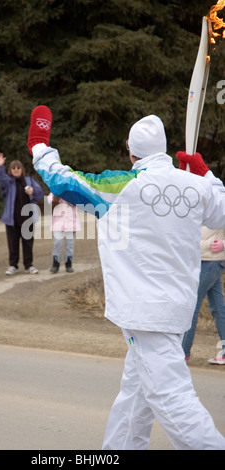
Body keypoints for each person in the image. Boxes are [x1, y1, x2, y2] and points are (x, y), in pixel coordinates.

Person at [27, 105, 225, 450]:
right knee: (135, 398)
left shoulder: (120, 187)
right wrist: (205, 173)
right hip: (175, 309)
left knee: (173, 400)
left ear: (131, 152)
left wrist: (39, 146)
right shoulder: (196, 186)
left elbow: (64, 180)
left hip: (143, 313)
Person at [0, 152, 44, 275]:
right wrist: (0, 166)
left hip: (28, 218)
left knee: (28, 243)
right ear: (10, 170)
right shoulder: (7, 181)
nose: (16, 170)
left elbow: (39, 194)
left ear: (22, 169)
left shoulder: (29, 180)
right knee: (13, 243)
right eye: (13, 168)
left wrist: (32, 192)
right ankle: (12, 266)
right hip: (12, 219)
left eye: (18, 168)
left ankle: (29, 265)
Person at [183, 226, 225, 365]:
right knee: (218, 309)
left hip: (210, 260)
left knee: (192, 307)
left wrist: (224, 245)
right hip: (210, 260)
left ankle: (183, 352)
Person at [47, 193, 81, 273]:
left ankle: (68, 264)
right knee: (57, 243)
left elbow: (79, 200)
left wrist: (71, 199)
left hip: (71, 221)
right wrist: (55, 198)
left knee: (70, 245)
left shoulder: (72, 189)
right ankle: (55, 264)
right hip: (58, 221)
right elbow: (49, 200)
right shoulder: (56, 189)